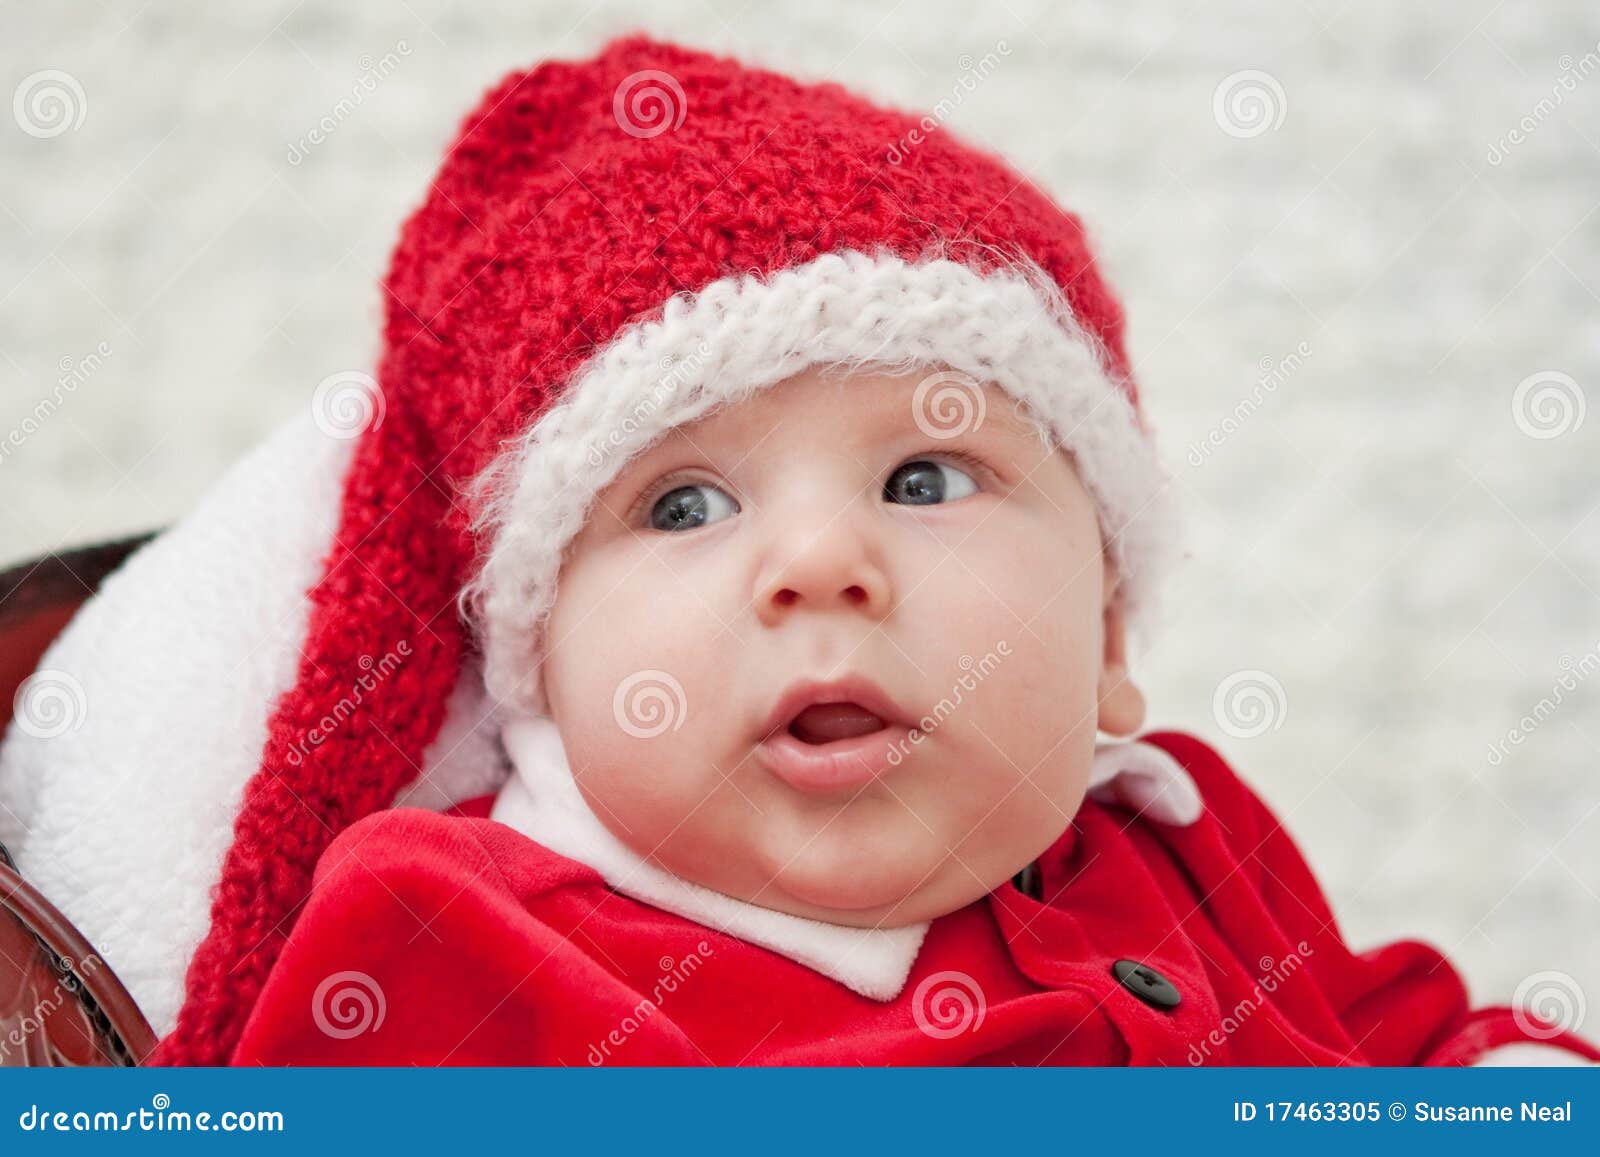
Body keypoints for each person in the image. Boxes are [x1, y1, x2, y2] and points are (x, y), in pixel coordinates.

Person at [1, 33, 1592, 1066]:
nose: (822, 562)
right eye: (683, 506)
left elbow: (1414, 1046)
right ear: (537, 669)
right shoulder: (458, 929)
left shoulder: (1184, 845)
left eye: (926, 473)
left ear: (1110, 635)